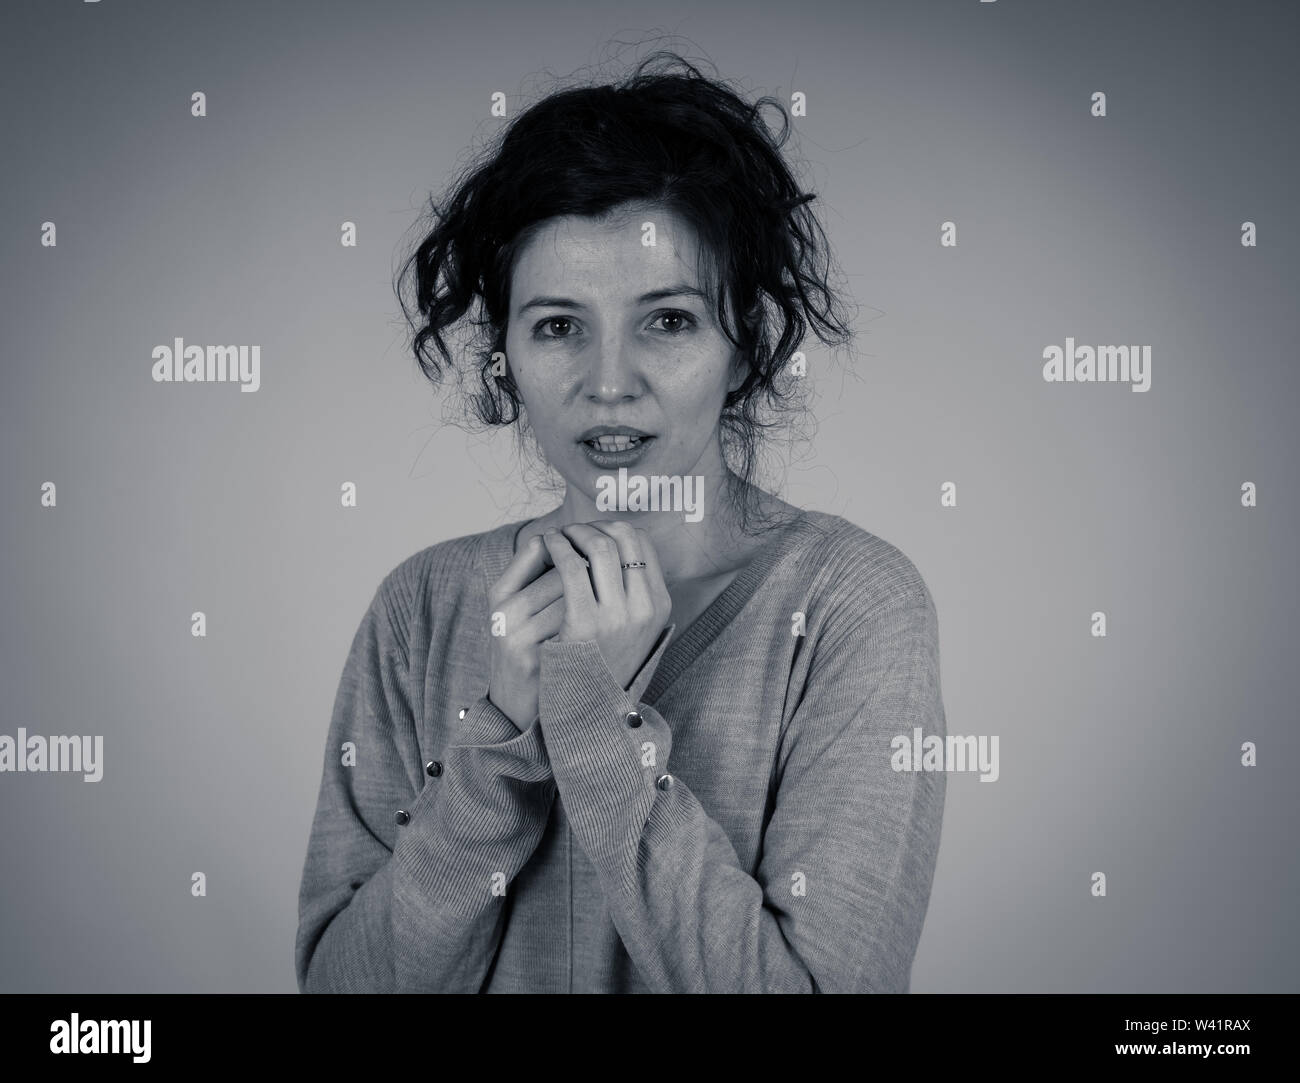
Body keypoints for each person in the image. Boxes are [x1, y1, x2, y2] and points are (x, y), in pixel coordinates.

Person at [295, 50, 946, 993]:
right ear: (505, 356)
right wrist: (499, 743)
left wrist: (599, 729)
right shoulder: (421, 608)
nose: (609, 384)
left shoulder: (849, 606)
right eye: (559, 325)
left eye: (668, 321)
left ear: (745, 344)